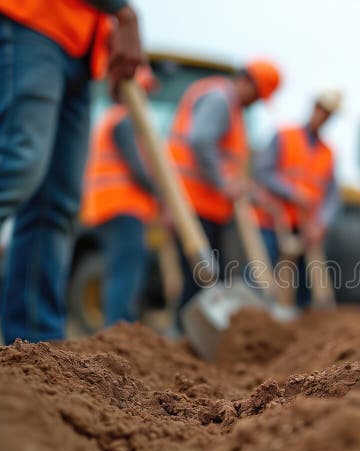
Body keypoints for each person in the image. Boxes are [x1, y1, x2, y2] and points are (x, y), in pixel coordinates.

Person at [0, 0, 144, 361]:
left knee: (57, 202)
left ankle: (37, 351)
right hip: (23, 16)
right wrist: (124, 13)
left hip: (78, 46)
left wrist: (107, 34)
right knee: (9, 167)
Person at [168, 60, 281, 320]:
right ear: (247, 82)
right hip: (194, 204)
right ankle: (182, 336)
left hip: (210, 207)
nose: (256, 102)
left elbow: (230, 166)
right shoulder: (220, 100)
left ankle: (188, 337)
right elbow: (200, 140)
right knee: (198, 278)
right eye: (257, 95)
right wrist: (223, 183)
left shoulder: (234, 112)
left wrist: (251, 194)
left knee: (206, 278)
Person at [80, 67, 160, 326]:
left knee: (121, 270)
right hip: (121, 207)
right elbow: (138, 170)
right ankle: (119, 329)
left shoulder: (112, 119)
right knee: (125, 273)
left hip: (111, 208)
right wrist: (162, 195)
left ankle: (120, 327)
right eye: (145, 93)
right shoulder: (124, 120)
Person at [254, 90, 342, 308]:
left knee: (303, 286)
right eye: (321, 110)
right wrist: (291, 192)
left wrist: (322, 224)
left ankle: (300, 325)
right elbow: (263, 171)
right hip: (273, 221)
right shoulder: (284, 136)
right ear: (314, 108)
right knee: (262, 278)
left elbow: (332, 195)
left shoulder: (328, 152)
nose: (323, 116)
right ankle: (259, 317)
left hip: (306, 228)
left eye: (328, 114)